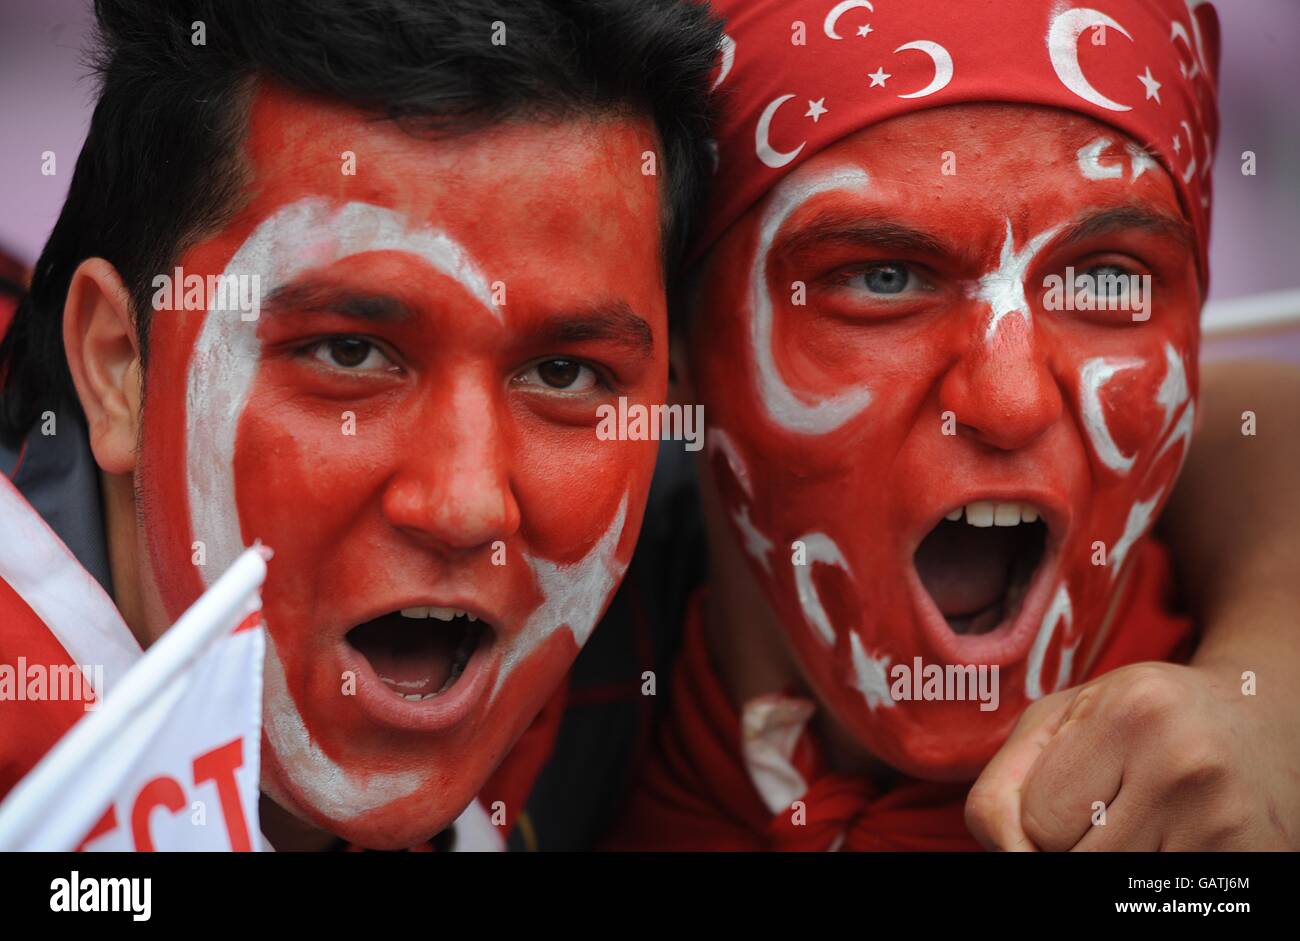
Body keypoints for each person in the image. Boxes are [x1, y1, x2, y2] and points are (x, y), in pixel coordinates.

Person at [0, 0, 721, 850]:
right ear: (119, 366)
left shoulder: (664, 664)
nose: (466, 507)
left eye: (565, 374)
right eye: (348, 353)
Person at [599, 0, 1300, 850]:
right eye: (885, 277)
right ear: (673, 341)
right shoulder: (532, 732)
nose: (1010, 403)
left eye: (1106, 280)